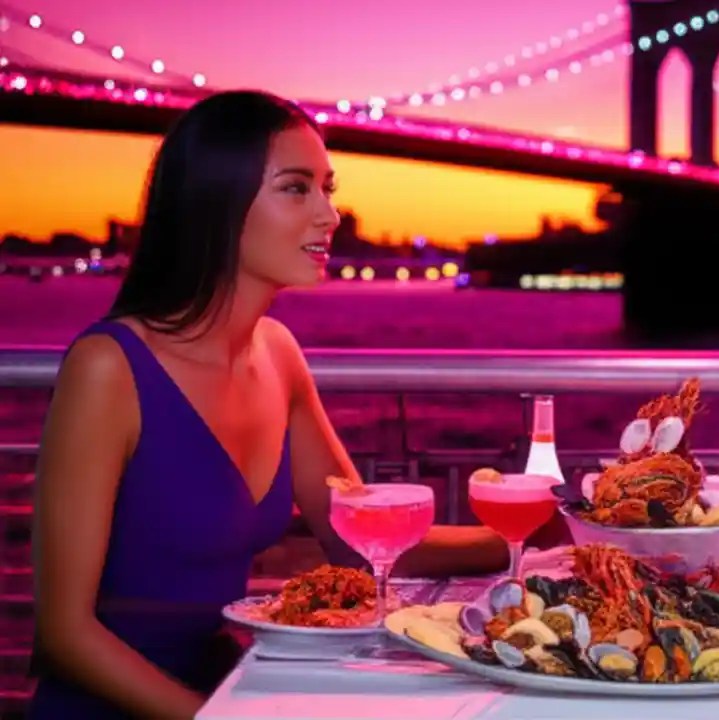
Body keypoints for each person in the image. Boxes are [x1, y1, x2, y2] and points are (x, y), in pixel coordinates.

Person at [28, 90, 510, 719]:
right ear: (216, 202)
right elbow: (64, 635)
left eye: (327, 189)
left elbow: (359, 538)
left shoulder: (278, 352)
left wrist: (536, 534)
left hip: (226, 688)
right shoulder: (108, 368)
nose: (330, 215)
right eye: (296, 188)